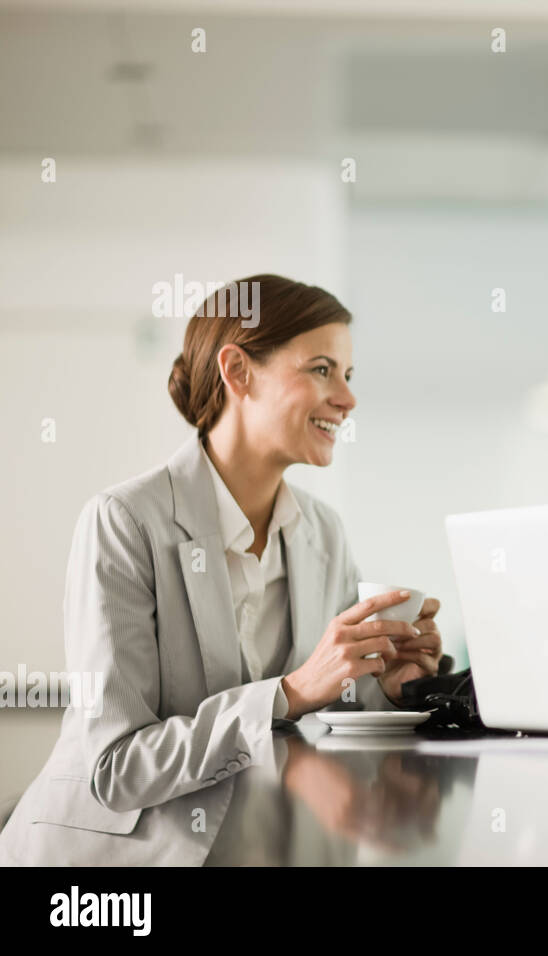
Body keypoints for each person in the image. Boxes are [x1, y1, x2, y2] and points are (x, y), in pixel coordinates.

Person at [1, 275, 443, 851]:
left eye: (349, 376)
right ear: (238, 372)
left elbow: (324, 704)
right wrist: (286, 691)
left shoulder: (323, 535)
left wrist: (383, 682)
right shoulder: (125, 521)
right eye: (321, 370)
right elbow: (115, 768)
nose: (347, 397)